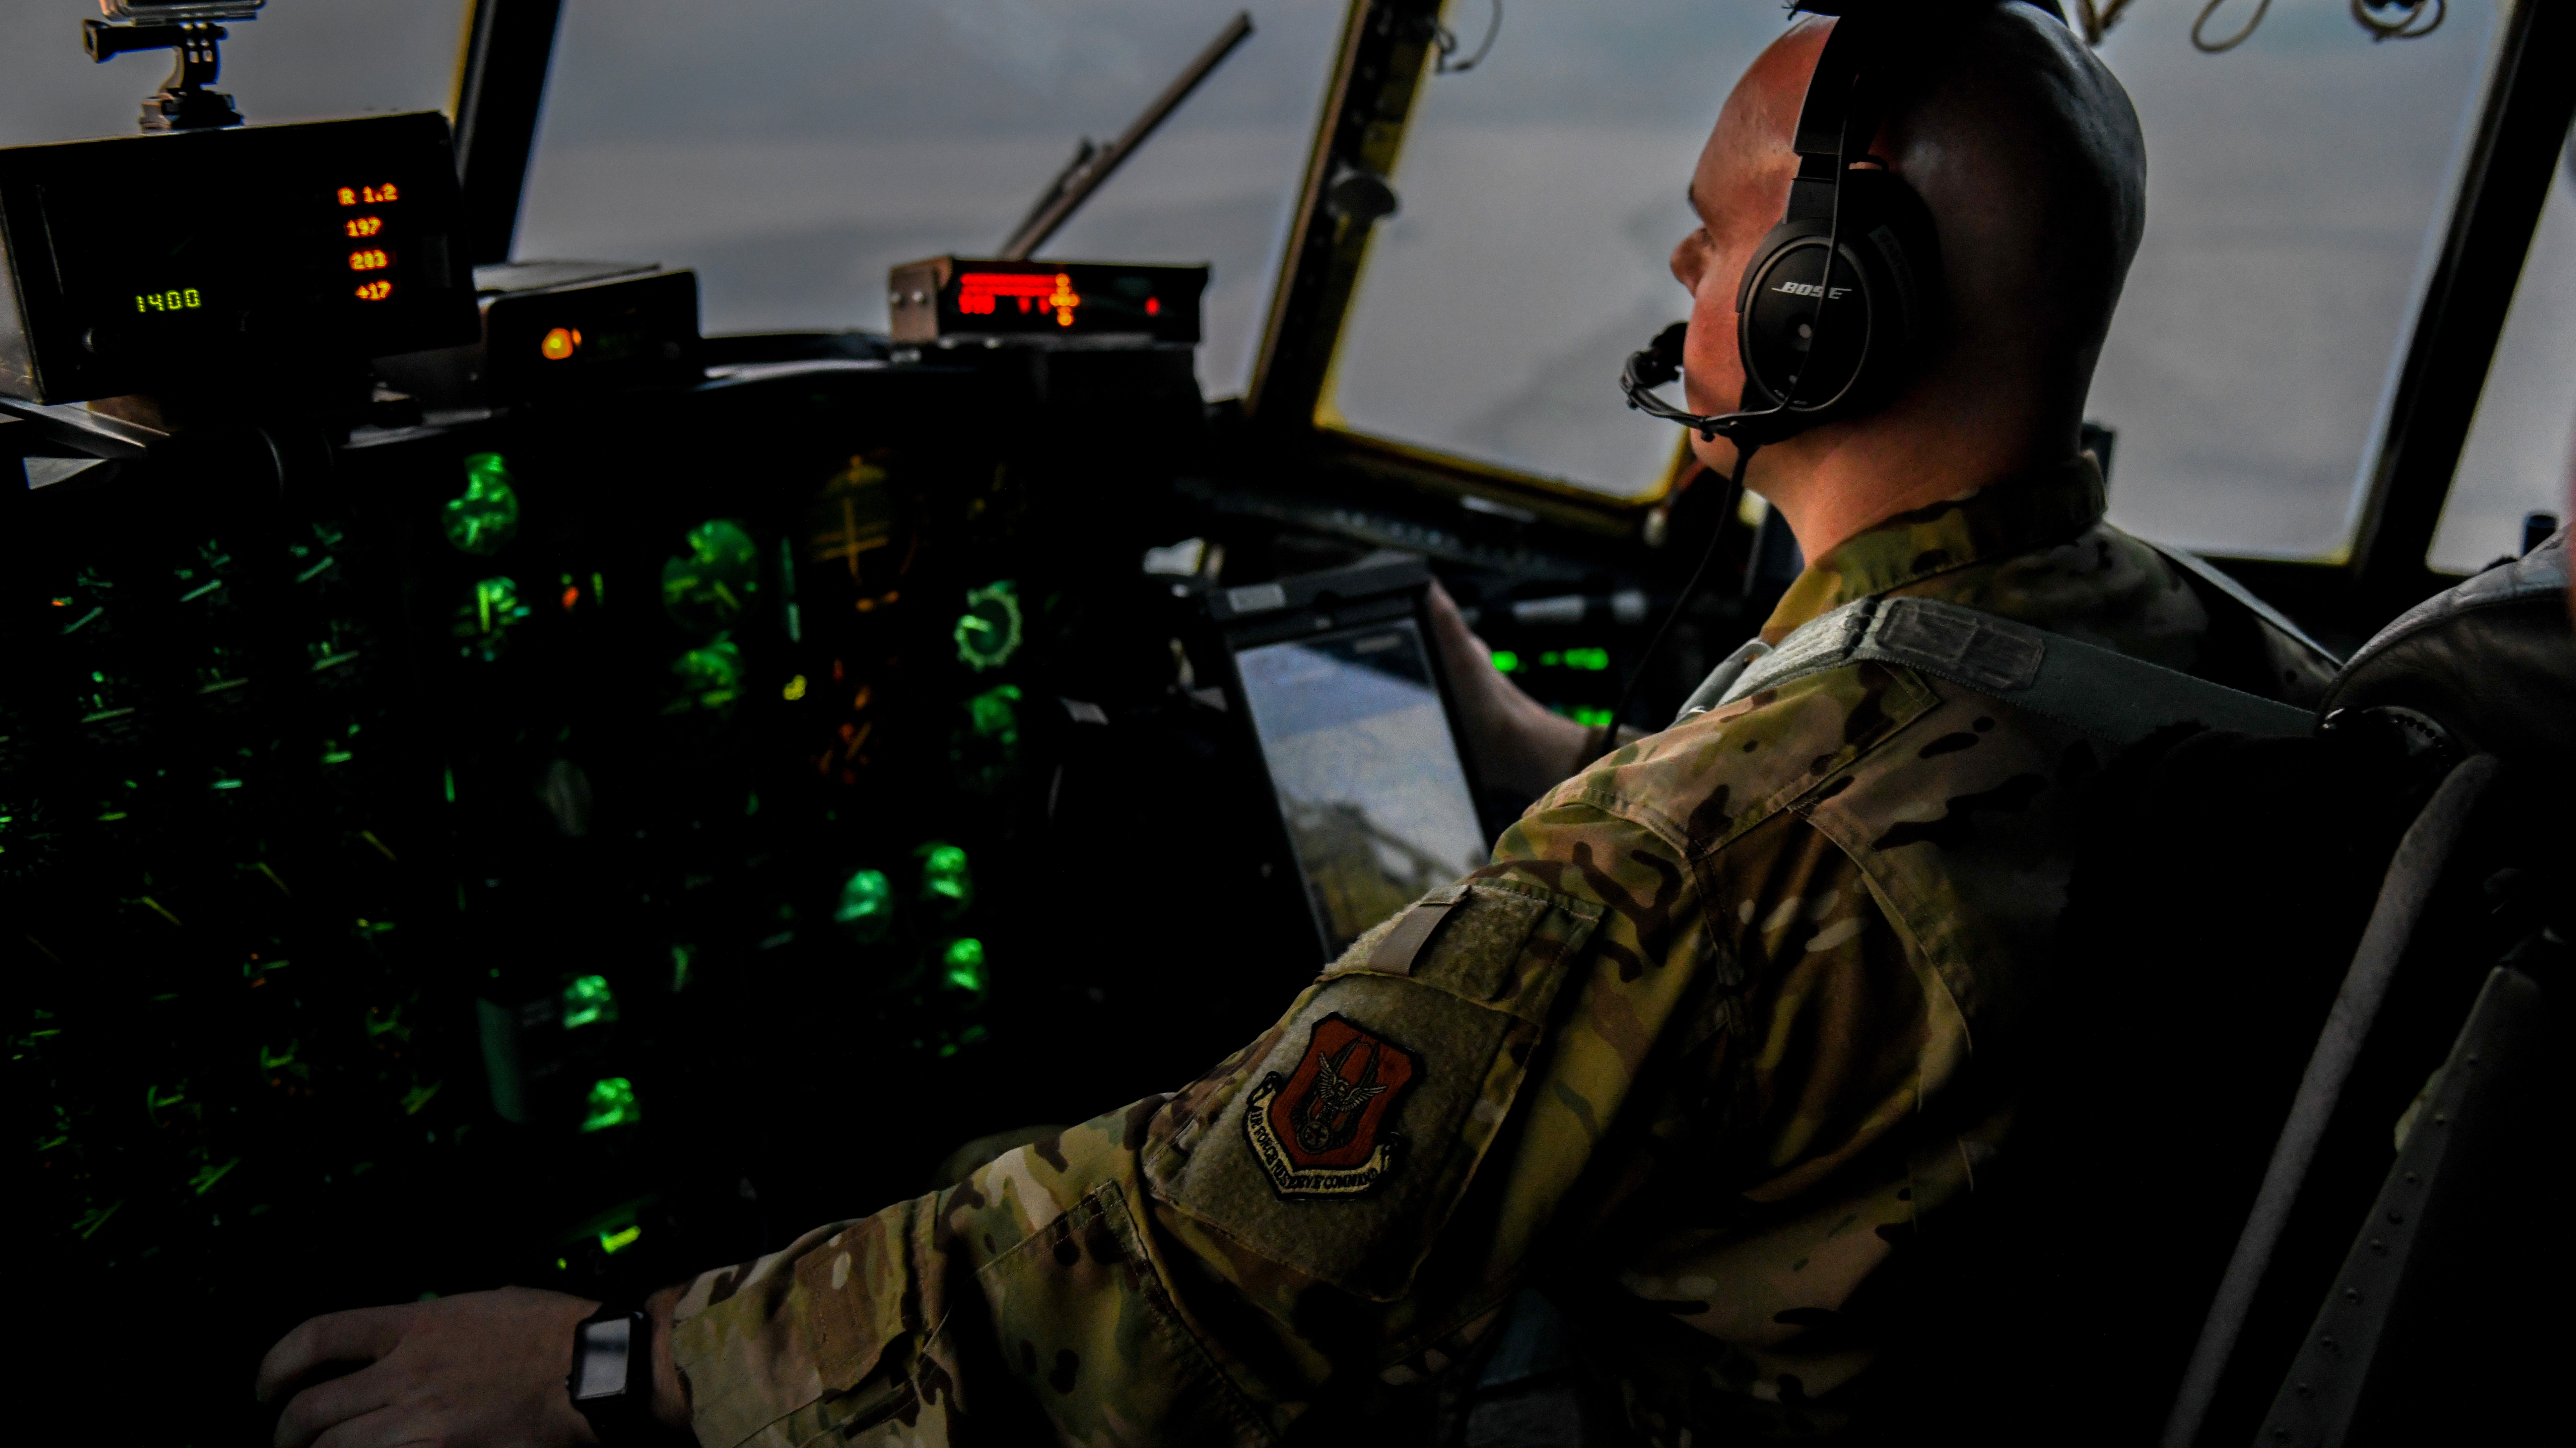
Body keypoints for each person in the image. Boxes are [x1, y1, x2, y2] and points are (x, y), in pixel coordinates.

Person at [255, 5, 2338, 1444]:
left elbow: (1181, 1282)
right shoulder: (2218, 667)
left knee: (1023, 1198)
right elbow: (1818, 898)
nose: (1688, 258)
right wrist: (1532, 758)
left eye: (1720, 228)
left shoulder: (1702, 857)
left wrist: (609, 1374)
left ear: (1825, 299)